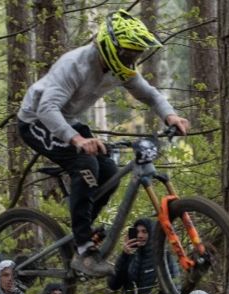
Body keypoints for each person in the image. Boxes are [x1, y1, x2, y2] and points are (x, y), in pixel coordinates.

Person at [16, 9, 190, 277]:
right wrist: (77, 139)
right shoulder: (74, 65)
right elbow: (46, 108)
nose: (132, 59)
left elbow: (151, 96)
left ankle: (79, 234)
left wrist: (171, 116)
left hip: (68, 120)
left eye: (136, 55)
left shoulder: (119, 68)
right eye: (129, 54)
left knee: (109, 173)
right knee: (85, 165)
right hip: (36, 121)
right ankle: (85, 249)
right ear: (111, 47)